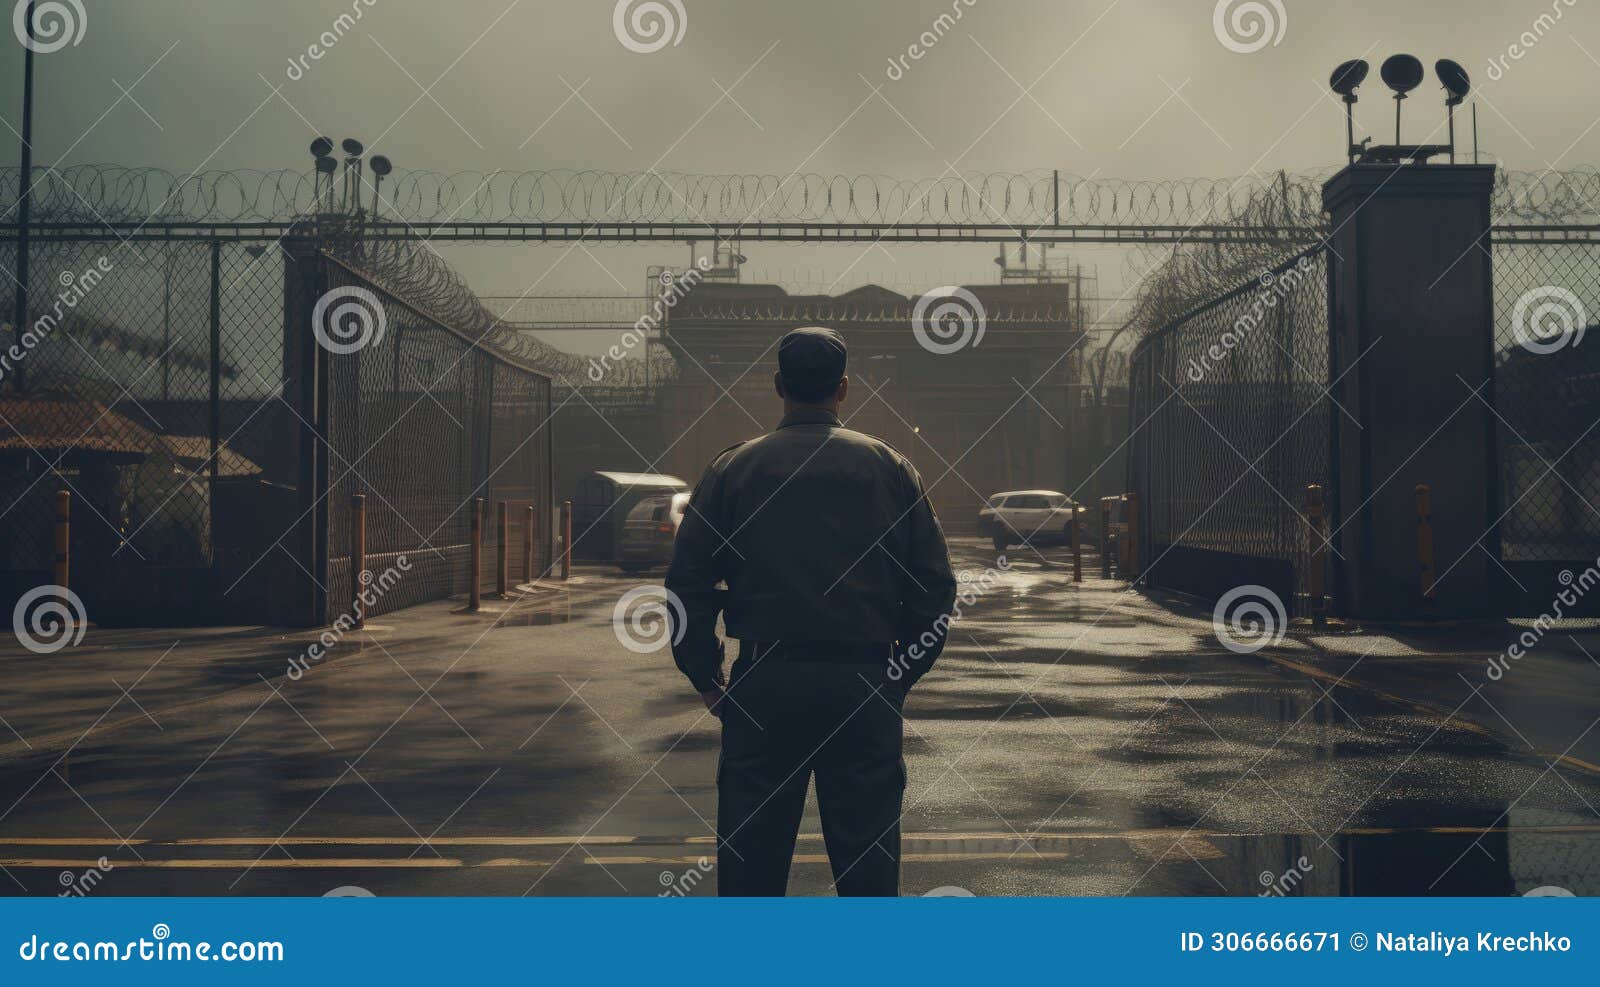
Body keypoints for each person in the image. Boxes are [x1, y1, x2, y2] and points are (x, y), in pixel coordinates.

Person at [665, 325, 957, 897]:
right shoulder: (891, 468)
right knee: (868, 872)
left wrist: (705, 676)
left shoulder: (732, 470)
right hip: (863, 682)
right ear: (842, 388)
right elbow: (934, 586)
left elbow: (686, 584)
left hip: (766, 681)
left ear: (779, 385)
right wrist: (898, 676)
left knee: (751, 872)